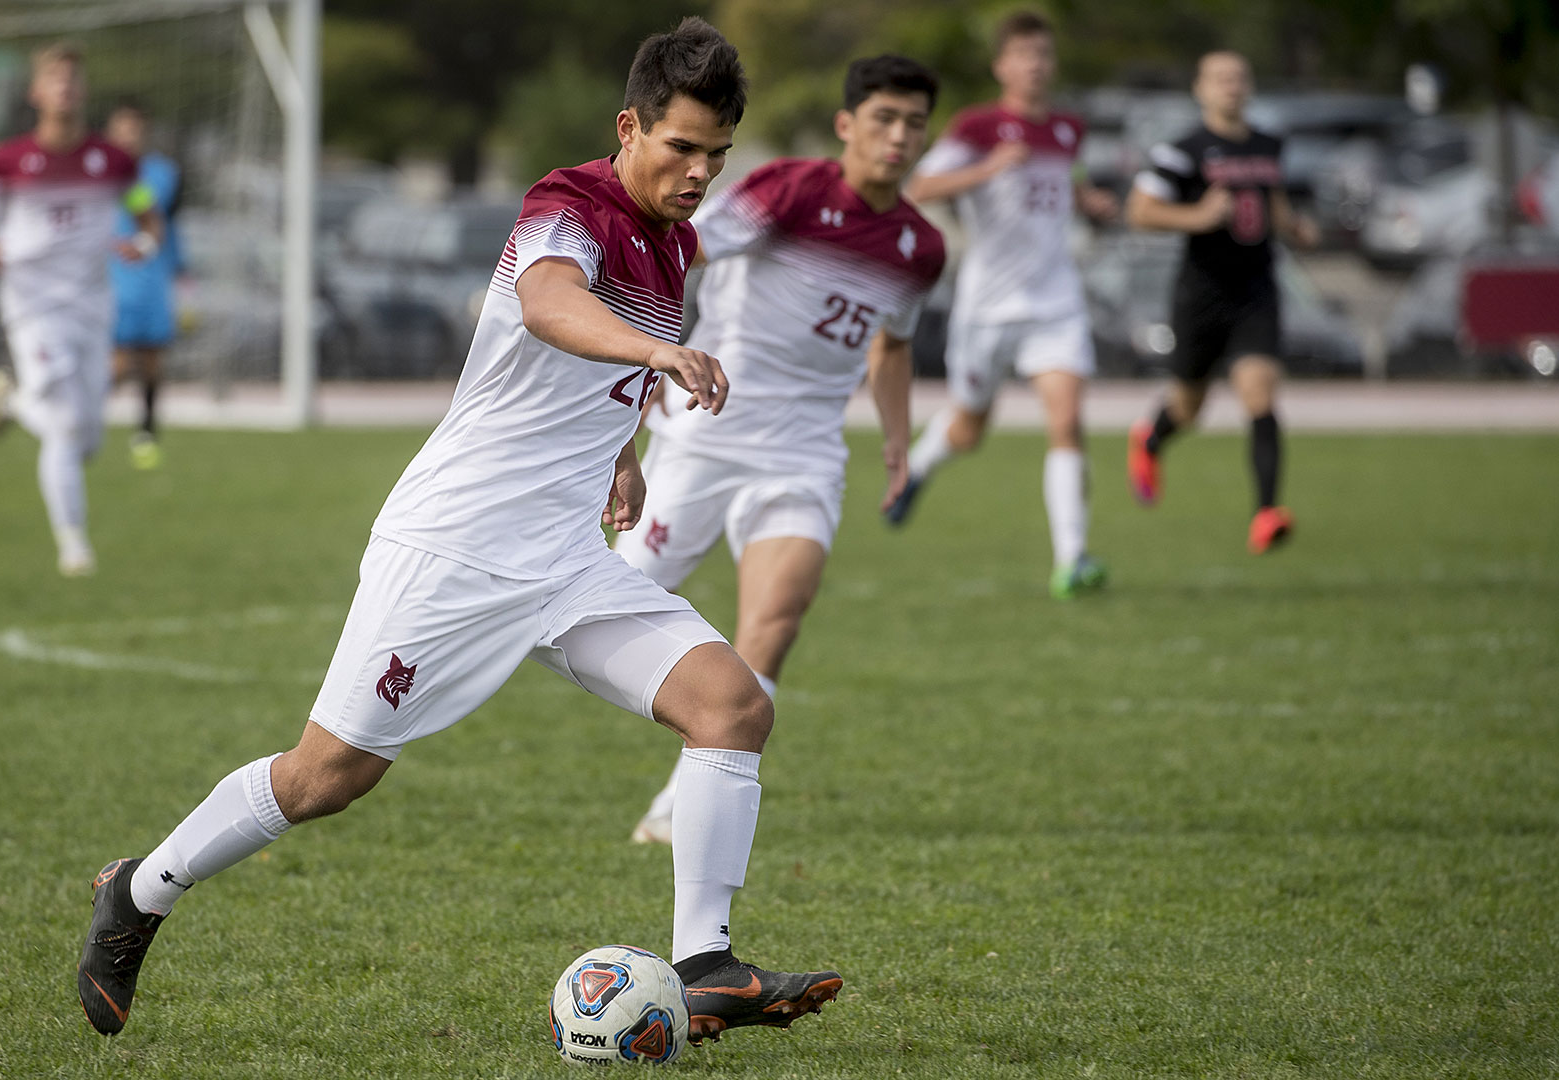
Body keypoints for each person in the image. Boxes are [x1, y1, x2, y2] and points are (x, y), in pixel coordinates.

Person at [75, 18, 842, 1046]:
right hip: (453, 547)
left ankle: (704, 964)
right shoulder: (566, 208)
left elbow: (598, 368)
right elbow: (548, 306)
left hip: (566, 559)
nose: (701, 171)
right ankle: (140, 891)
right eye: (682, 148)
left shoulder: (675, 240)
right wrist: (661, 360)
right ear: (630, 126)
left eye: (717, 154)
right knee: (329, 776)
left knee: (734, 709)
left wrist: (623, 449)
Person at [618, 55, 946, 846]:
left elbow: (892, 349)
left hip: (803, 454)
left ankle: (680, 803)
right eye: (883, 119)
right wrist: (650, 360)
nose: (898, 137)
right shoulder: (790, 190)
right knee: (605, 602)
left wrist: (898, 442)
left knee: (775, 621)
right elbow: (677, 251)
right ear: (847, 125)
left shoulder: (920, 247)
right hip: (705, 429)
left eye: (913, 123)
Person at [884, 9, 1119, 600]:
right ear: (1003, 66)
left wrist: (1091, 201)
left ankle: (1072, 559)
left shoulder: (1068, 129)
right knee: (970, 427)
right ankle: (919, 469)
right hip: (988, 305)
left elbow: (1071, 183)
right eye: (1026, 56)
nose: (1037, 66)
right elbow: (918, 187)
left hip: (1056, 301)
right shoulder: (978, 127)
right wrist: (988, 168)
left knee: (1066, 421)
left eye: (1045, 56)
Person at [0, 42, 163, 577]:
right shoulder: (7, 161)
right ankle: (73, 544)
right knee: (67, 429)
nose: (65, 88)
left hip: (92, 305)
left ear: (83, 90)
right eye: (55, 79)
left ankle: (14, 399)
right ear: (36, 91)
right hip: (31, 302)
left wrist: (140, 247)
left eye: (73, 79)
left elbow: (149, 220)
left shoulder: (114, 162)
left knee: (87, 437)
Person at [1124, 50, 1319, 553]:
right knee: (1189, 406)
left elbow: (1273, 206)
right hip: (1201, 295)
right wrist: (1199, 216)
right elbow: (1140, 211)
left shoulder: (1268, 145)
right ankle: (1149, 438)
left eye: (1239, 78)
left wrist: (1295, 228)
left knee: (1259, 392)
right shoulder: (1182, 150)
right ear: (1200, 89)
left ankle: (1265, 512)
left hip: (1255, 290)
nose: (1231, 86)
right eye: (1220, 78)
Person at [106, 98, 183, 469]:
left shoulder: (159, 175)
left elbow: (160, 223)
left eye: (135, 130)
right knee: (116, 363)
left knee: (151, 360)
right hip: (111, 278)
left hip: (152, 278)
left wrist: (182, 271)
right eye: (122, 130)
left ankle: (146, 432)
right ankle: (86, 423)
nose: (129, 137)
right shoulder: (101, 172)